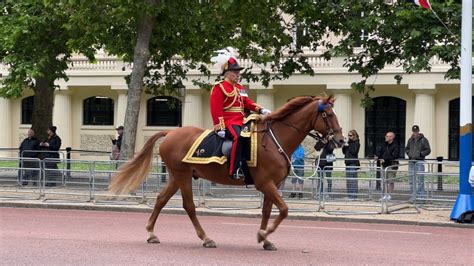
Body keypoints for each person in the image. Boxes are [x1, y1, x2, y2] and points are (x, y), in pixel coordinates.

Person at [210, 48, 271, 179]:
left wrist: (261, 109)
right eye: (235, 72)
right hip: (229, 121)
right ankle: (234, 170)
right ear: (227, 73)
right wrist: (219, 127)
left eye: (238, 72)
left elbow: (247, 102)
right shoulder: (219, 87)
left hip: (242, 119)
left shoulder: (239, 87)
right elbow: (216, 109)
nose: (238, 74)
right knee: (238, 137)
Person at [405, 125, 431, 198]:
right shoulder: (410, 140)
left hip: (419, 161)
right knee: (411, 180)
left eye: (416, 131)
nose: (415, 132)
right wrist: (409, 153)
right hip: (411, 161)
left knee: (420, 180)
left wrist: (420, 154)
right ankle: (413, 196)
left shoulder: (424, 140)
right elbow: (407, 148)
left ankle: (421, 197)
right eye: (414, 131)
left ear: (418, 131)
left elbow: (428, 150)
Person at [375, 132, 399, 200]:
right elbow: (380, 152)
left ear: (391, 137)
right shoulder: (384, 144)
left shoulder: (395, 145)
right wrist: (377, 156)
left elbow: (395, 155)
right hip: (384, 165)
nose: (385, 137)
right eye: (386, 136)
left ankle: (388, 195)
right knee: (385, 181)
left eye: (387, 136)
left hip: (392, 165)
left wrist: (385, 159)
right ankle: (385, 195)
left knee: (390, 181)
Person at [343, 129, 360, 199]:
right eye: (348, 135)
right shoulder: (349, 143)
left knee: (353, 180)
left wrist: (348, 146)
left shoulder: (357, 143)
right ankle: (349, 195)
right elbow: (344, 152)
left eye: (350, 135)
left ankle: (353, 196)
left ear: (354, 135)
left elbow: (354, 151)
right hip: (347, 163)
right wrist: (344, 145)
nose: (349, 137)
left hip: (353, 163)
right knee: (349, 180)